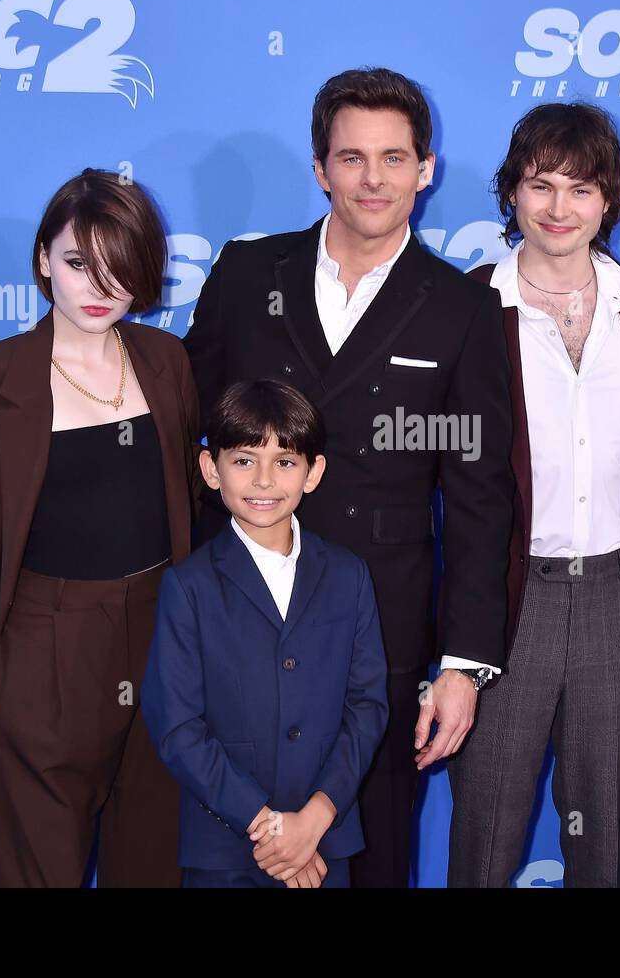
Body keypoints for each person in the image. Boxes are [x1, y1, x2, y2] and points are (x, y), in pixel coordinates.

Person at [183, 67, 513, 887]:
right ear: (320, 166)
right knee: (235, 846)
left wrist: (464, 665)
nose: (375, 179)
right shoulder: (247, 275)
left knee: (373, 852)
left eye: (395, 158)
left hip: (383, 631)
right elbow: (184, 432)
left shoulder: (461, 308)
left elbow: (479, 497)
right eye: (353, 157)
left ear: (426, 168)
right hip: (239, 616)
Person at [0, 169, 201, 887]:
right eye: (79, 260)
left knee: (153, 864)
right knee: (32, 872)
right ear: (44, 258)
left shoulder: (167, 363)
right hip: (41, 647)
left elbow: (190, 513)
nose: (99, 282)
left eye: (119, 263)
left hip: (161, 641)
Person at [448, 103, 620, 887]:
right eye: (540, 185)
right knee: (484, 830)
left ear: (608, 201)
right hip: (509, 601)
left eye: (580, 189)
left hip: (618, 592)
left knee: (604, 834)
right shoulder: (464, 306)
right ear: (511, 192)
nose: (558, 208)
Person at [142, 380, 389, 888]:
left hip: (326, 843)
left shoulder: (349, 575)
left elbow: (368, 707)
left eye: (284, 462)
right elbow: (177, 727)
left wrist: (315, 818)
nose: (263, 481)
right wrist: (271, 828)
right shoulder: (188, 586)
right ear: (211, 469)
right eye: (243, 460)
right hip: (227, 849)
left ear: (313, 472)